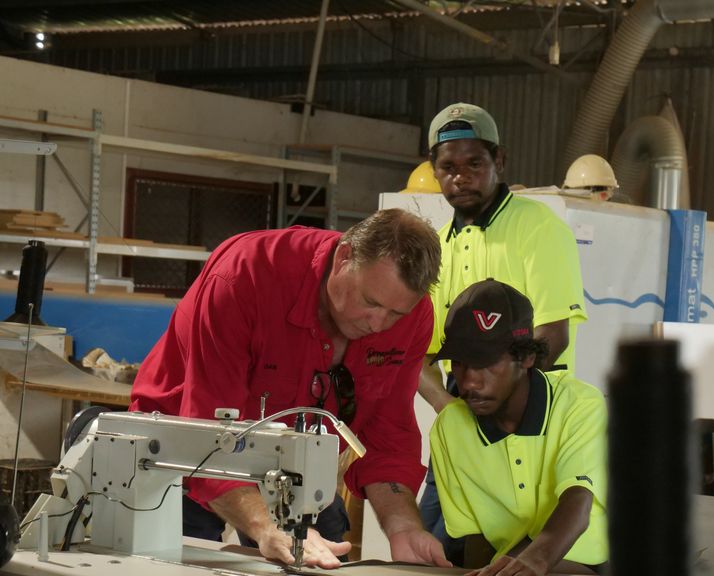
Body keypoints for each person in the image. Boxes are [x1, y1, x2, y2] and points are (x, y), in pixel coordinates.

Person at [130, 209, 452, 570]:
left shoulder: (414, 316)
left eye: (395, 314)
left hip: (294, 469)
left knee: (323, 555)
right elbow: (207, 431)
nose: (379, 324)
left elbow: (387, 437)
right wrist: (267, 528)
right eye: (371, 303)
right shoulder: (246, 275)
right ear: (344, 257)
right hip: (182, 451)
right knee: (178, 562)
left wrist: (404, 528)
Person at [416, 102, 589, 562]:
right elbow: (419, 353)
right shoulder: (439, 247)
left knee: (517, 555)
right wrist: (452, 410)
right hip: (468, 412)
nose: (461, 177)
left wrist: (502, 407)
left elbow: (553, 337)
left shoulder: (538, 229)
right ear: (434, 171)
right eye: (448, 168)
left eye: (474, 164)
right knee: (426, 550)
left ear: (499, 160)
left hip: (532, 420)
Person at [430, 279, 608, 576]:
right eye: (459, 363)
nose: (470, 381)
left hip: (588, 562)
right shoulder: (450, 428)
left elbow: (578, 499)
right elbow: (474, 539)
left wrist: (534, 561)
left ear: (526, 357)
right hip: (509, 566)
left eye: (486, 363)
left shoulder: (579, 405)